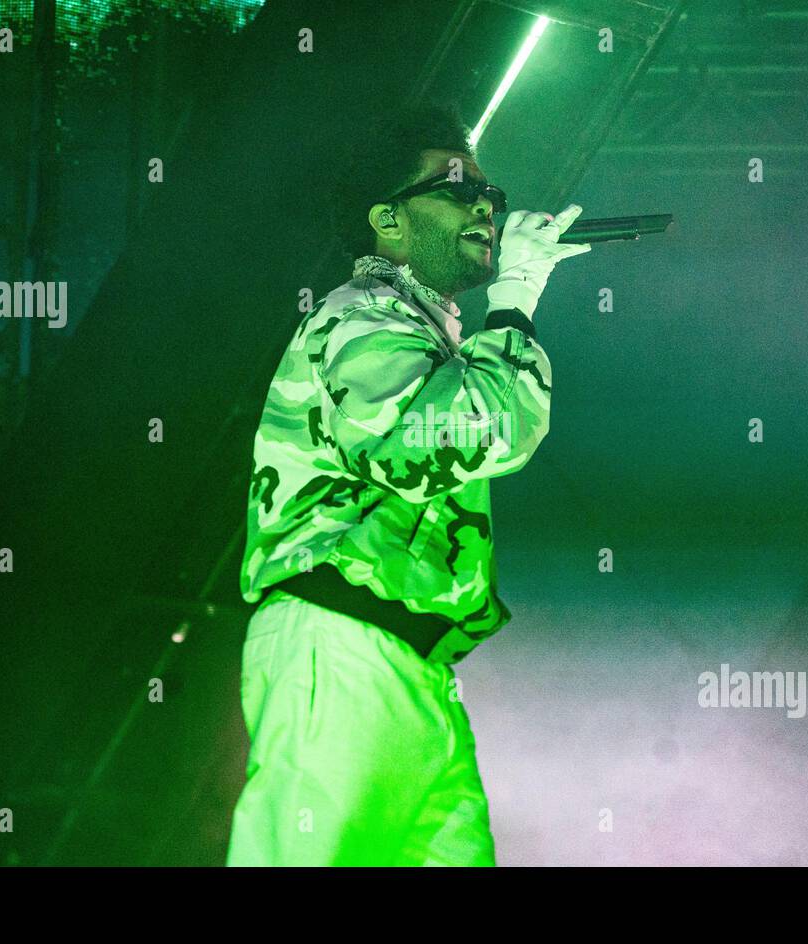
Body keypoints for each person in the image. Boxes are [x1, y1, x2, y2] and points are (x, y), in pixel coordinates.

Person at [226, 103, 590, 866]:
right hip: (342, 642)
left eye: (491, 193)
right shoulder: (360, 316)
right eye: (458, 190)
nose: (487, 204)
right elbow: (447, 439)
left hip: (415, 672)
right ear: (388, 222)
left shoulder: (425, 331)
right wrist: (516, 300)